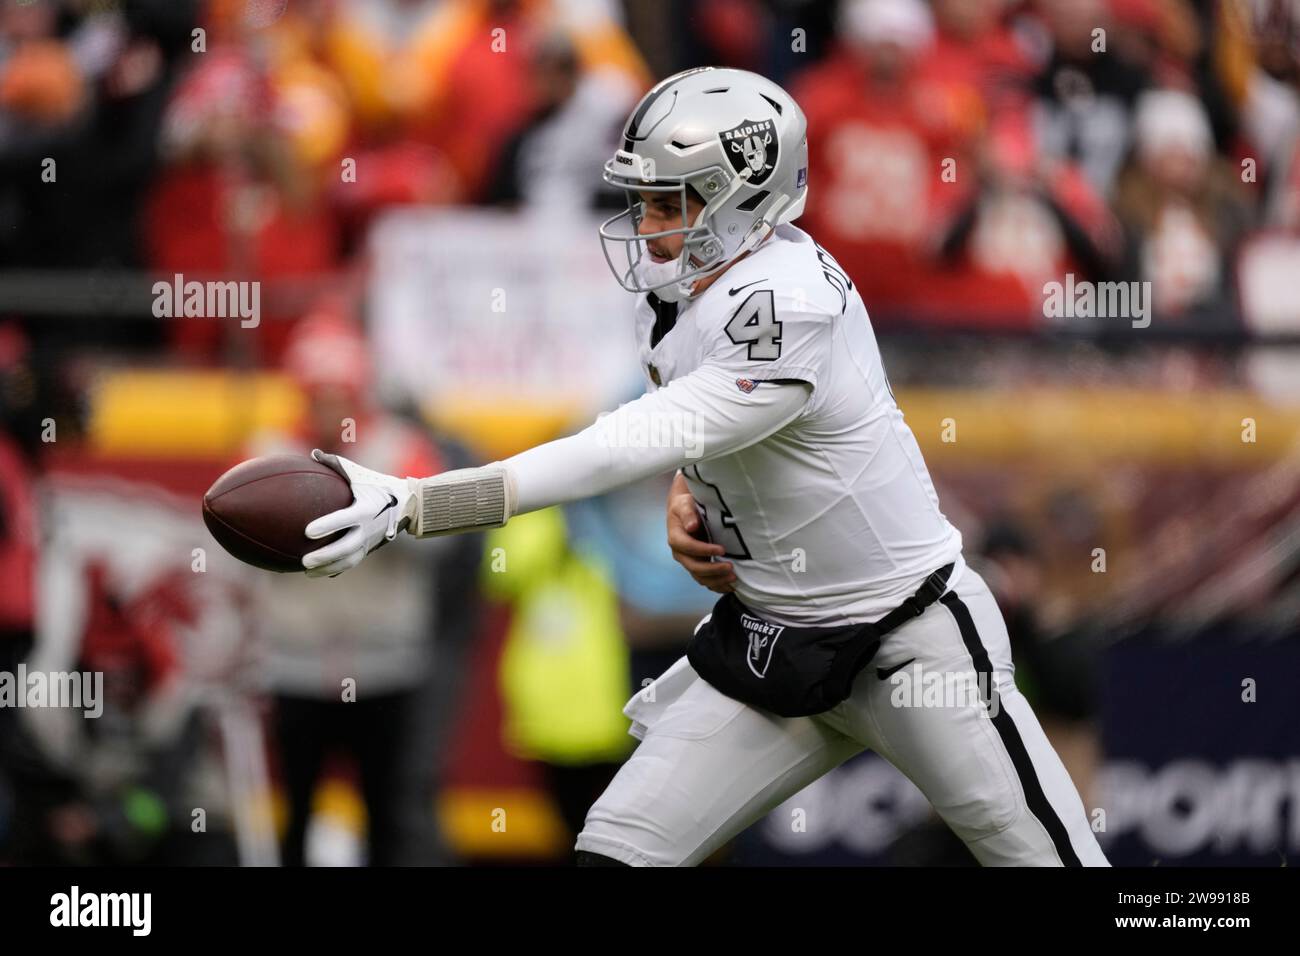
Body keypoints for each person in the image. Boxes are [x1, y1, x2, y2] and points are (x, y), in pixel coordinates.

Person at [296, 67, 1109, 867]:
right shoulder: (693, 294)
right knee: (615, 852)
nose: (645, 223)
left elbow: (621, 445)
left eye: (670, 201)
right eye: (643, 198)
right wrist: (697, 488)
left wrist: (413, 503)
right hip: (771, 645)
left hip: (905, 640)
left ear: (745, 200)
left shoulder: (787, 302)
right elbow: (727, 429)